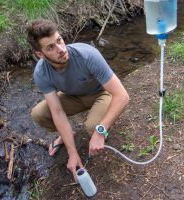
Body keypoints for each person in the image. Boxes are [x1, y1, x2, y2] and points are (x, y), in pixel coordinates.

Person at [27, 19, 129, 182]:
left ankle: (101, 128)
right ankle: (67, 135)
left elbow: (122, 96)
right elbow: (57, 112)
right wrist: (72, 153)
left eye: (59, 40)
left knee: (92, 128)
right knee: (39, 114)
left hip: (101, 94)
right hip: (73, 96)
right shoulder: (41, 73)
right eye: (50, 47)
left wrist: (100, 131)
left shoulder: (87, 55)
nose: (61, 49)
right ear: (40, 54)